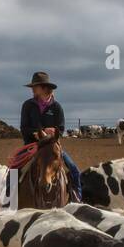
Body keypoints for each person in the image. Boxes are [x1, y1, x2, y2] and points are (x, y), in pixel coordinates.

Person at [19, 71, 81, 201]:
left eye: (35, 87)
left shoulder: (57, 107)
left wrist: (54, 131)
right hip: (31, 146)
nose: (32, 90)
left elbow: (61, 128)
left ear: (44, 88)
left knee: (74, 170)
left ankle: (77, 200)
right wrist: (36, 133)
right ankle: (9, 203)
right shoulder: (27, 105)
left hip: (52, 146)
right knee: (13, 170)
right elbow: (24, 128)